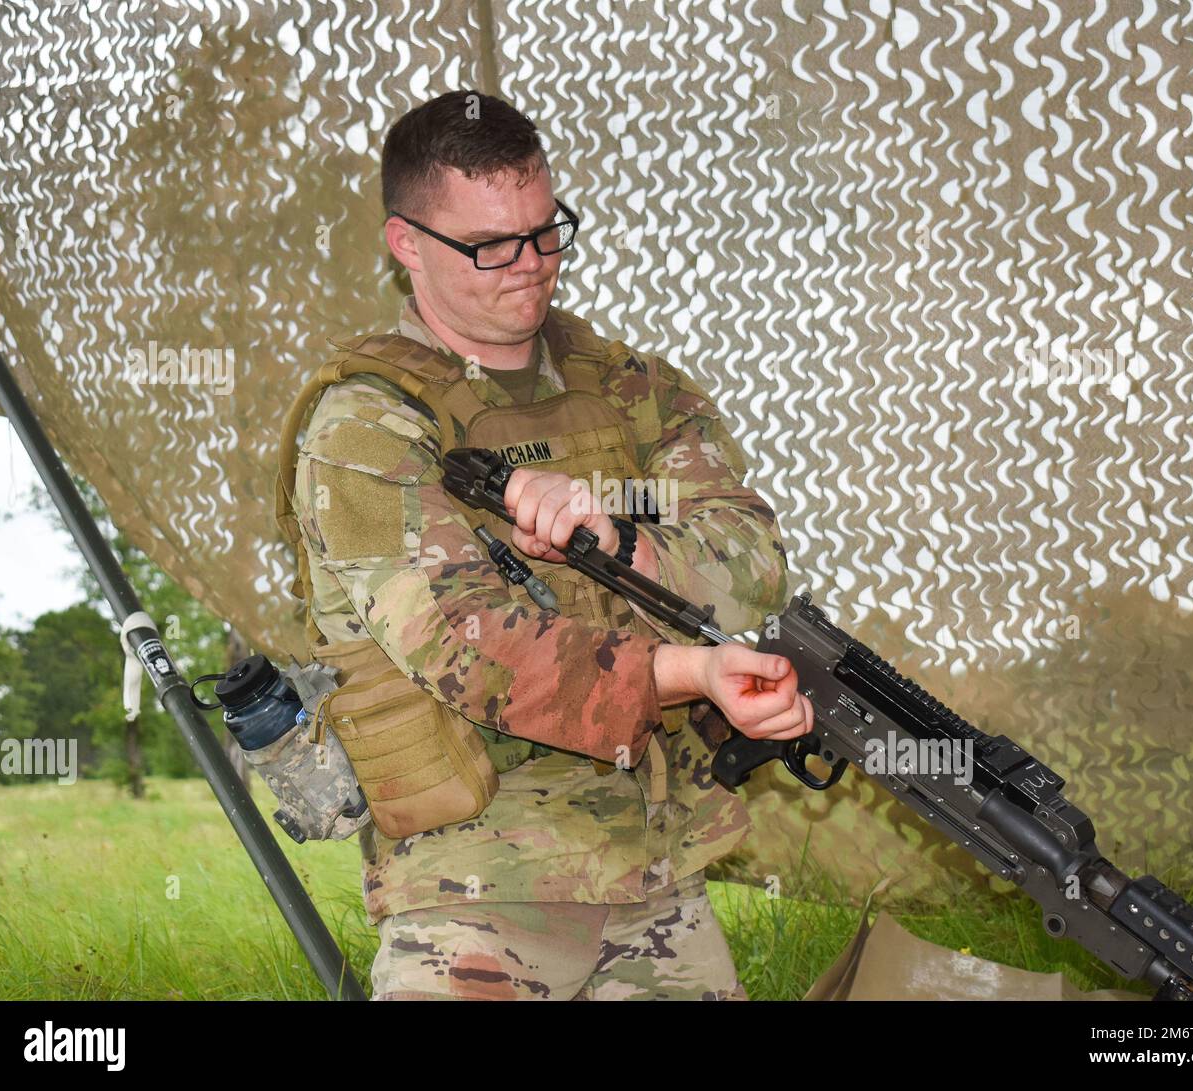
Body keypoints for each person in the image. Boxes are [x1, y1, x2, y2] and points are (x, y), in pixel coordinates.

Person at [286, 89, 813, 1000]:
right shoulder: (365, 428)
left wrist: (623, 542)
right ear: (406, 243)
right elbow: (471, 650)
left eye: (546, 231)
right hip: (477, 890)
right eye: (490, 245)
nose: (529, 264)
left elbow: (753, 562)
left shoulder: (632, 389)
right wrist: (690, 672)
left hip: (655, 876)